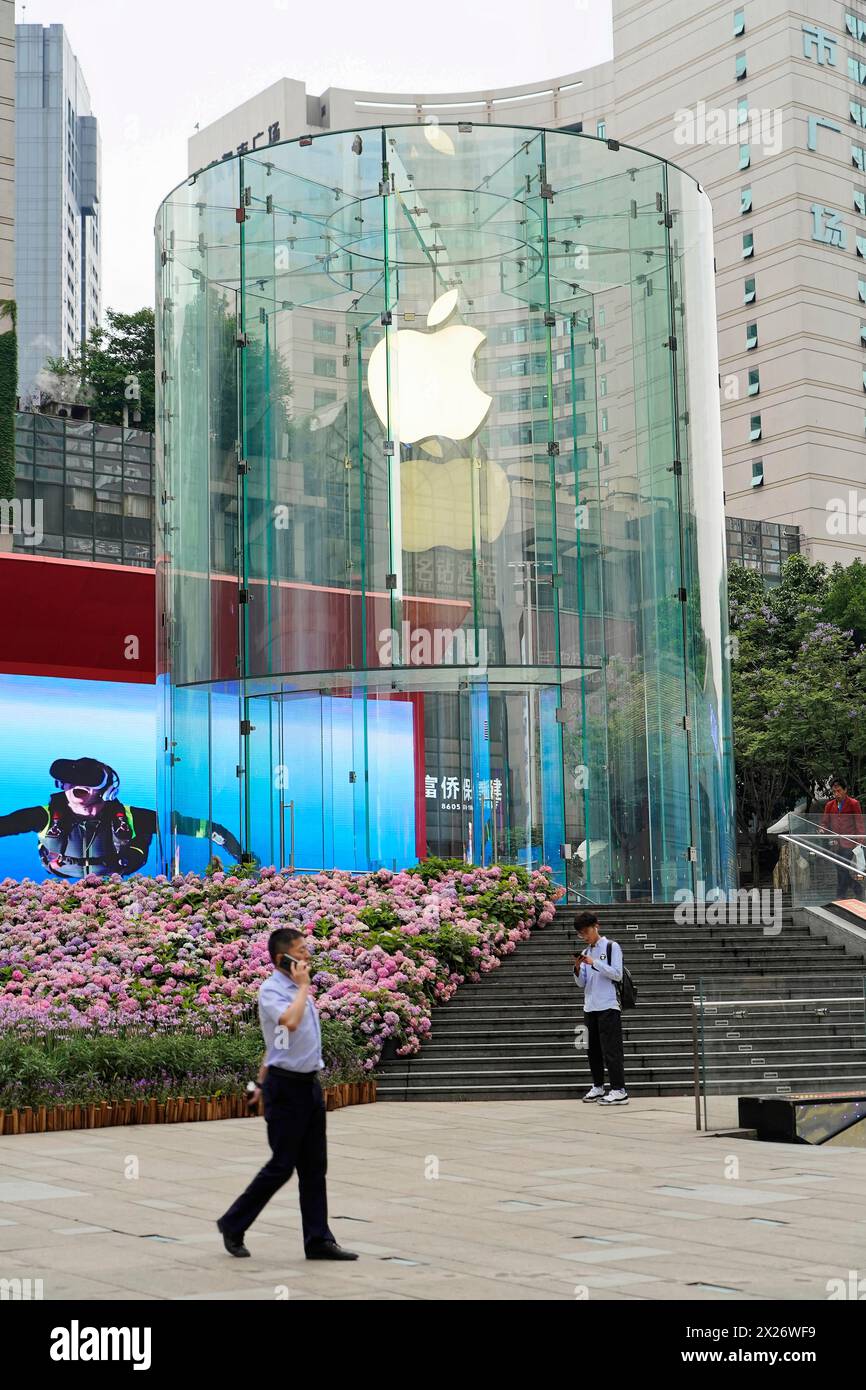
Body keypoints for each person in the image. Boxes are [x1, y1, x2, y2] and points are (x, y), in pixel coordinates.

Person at [216, 926, 358, 1262]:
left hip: (308, 1085)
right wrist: (304, 986)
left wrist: (259, 1079)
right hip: (287, 1089)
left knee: (314, 1166)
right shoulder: (272, 990)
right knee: (281, 1165)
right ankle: (233, 1223)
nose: (308, 954)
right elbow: (288, 1024)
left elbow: (277, 1043)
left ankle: (318, 1240)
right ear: (284, 958)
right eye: (302, 949)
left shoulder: (295, 989)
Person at [0, 755, 245, 879]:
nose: (73, 792)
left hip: (116, 887)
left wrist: (246, 863)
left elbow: (209, 829)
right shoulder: (43, 815)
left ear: (108, 791)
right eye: (67, 784)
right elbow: (6, 825)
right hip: (61, 881)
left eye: (83, 787)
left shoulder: (134, 818)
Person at [573, 910, 629, 1106]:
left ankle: (619, 1090)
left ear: (596, 926)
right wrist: (578, 969)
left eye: (586, 931)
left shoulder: (612, 947)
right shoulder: (586, 952)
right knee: (592, 1050)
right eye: (581, 934)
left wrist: (595, 963)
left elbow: (617, 974)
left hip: (608, 1005)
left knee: (612, 1049)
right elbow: (582, 983)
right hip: (590, 1006)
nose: (585, 936)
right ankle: (598, 1086)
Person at [819, 777, 865, 901]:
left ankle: (841, 895)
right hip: (835, 843)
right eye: (834, 792)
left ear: (845, 790)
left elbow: (859, 823)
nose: (836, 794)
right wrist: (822, 829)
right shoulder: (829, 805)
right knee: (841, 869)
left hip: (849, 843)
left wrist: (859, 843)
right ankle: (856, 887)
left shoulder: (853, 803)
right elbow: (824, 822)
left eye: (839, 791)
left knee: (842, 867)